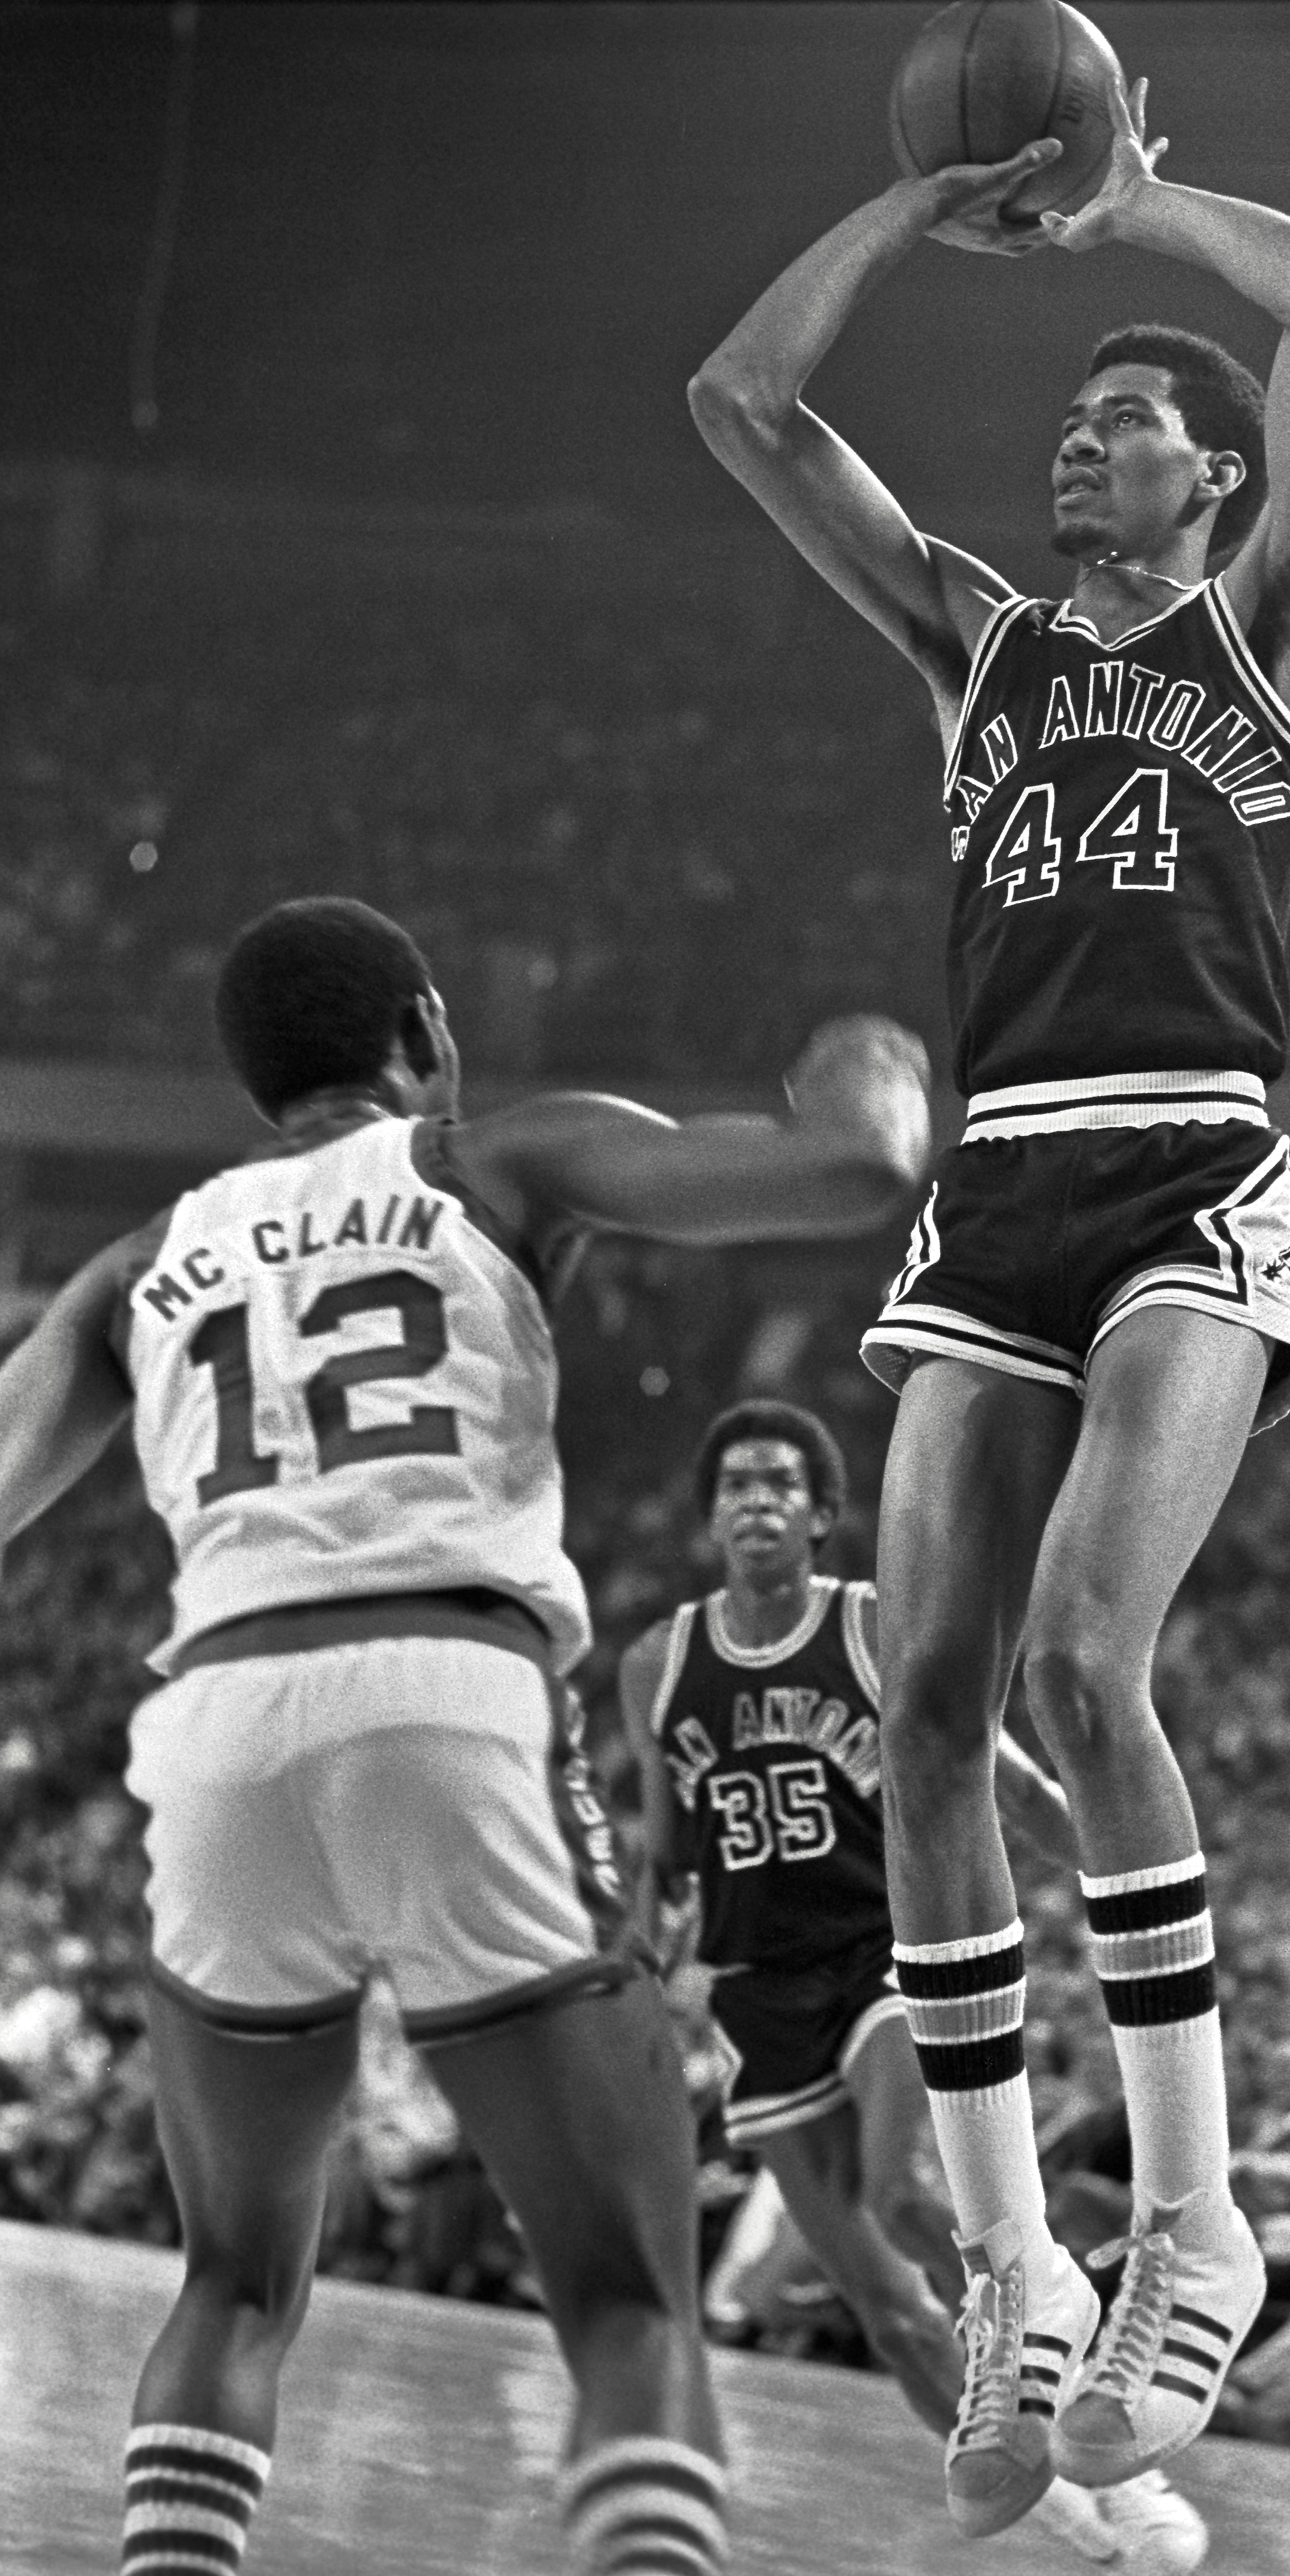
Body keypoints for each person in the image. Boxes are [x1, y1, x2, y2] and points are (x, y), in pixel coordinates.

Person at [688, 50, 1290, 2534]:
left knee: (1093, 1665)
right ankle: (1017, 2265)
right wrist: (921, 208)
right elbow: (741, 401)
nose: (1071, 449)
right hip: (995, 1195)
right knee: (933, 1714)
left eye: (1116, 428)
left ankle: (1193, 2208)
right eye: (1066, 425)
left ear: (1206, 471)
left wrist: (1128, 215)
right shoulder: (973, 645)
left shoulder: (1275, 614)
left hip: (1192, 1164)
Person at [0, 895, 931, 2576]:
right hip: (445, 1683)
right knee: (630, 2294)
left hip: (214, 1729)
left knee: (230, 2279)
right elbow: (852, 1171)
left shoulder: (150, 1258)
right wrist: (871, 1064)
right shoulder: (494, 1157)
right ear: (425, 1026)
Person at [618, 1398, 1209, 2571]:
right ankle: (1085, 2534)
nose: (755, 1501)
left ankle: (1114, 2439)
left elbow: (998, 1778)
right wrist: (637, 1969)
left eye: (780, 1484)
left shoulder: (870, 1624)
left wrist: (1123, 1888)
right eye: (734, 1484)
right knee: (889, 2318)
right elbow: (661, 1850)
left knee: (901, 2193)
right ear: (709, 1517)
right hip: (753, 1991)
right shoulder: (657, 1662)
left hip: (881, 1956)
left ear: (826, 1515)